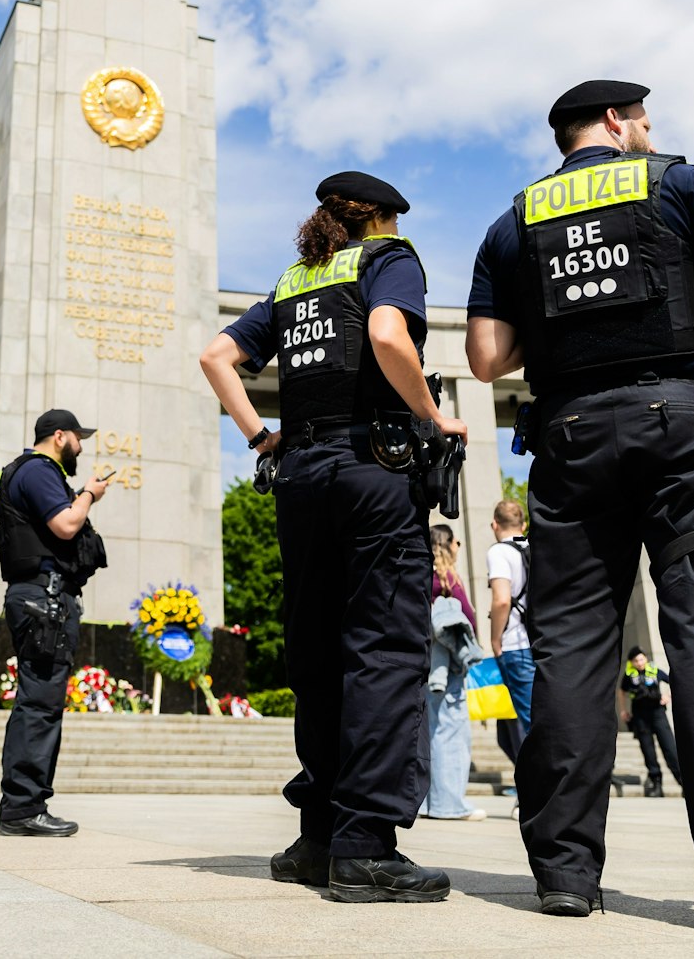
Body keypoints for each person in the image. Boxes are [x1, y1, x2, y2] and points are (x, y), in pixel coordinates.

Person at [466, 80, 694, 932]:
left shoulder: (512, 219)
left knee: (572, 648)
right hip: (685, 428)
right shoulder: (676, 182)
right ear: (621, 123)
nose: (649, 131)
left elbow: (487, 356)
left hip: (570, 436)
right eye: (645, 121)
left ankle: (563, 873)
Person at [201, 170, 467, 904]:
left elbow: (215, 357)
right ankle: (364, 847)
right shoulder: (390, 259)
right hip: (370, 468)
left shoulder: (294, 281)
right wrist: (432, 416)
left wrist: (262, 438)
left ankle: (317, 835)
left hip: (301, 476)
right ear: (380, 218)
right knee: (381, 648)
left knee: (317, 652)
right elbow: (386, 333)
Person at [0, 408, 111, 837]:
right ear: (60, 436)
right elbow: (65, 525)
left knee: (37, 701)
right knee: (40, 703)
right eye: (79, 438)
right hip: (44, 600)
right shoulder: (40, 470)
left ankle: (22, 804)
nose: (82, 445)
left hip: (38, 598)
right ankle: (23, 808)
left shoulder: (25, 472)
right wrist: (89, 494)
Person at [423, 525, 484, 822]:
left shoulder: (424, 577)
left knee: (431, 732)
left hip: (430, 666)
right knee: (451, 733)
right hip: (448, 671)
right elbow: (468, 620)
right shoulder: (448, 580)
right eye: (457, 541)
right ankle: (449, 804)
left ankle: (427, 802)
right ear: (447, 545)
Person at [486, 501, 534, 739]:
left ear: (495, 524)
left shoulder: (498, 552)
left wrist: (495, 640)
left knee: (529, 721)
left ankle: (540, 776)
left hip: (516, 645)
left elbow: (502, 600)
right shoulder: (534, 546)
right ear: (523, 524)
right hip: (542, 640)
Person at [618, 646, 682, 797]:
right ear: (631, 662)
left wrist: (668, 696)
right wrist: (622, 710)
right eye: (636, 660)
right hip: (640, 716)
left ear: (645, 659)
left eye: (641, 659)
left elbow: (674, 681)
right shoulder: (629, 676)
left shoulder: (655, 671)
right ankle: (656, 784)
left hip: (657, 714)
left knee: (670, 748)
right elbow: (621, 692)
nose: (639, 663)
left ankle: (683, 782)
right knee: (648, 751)